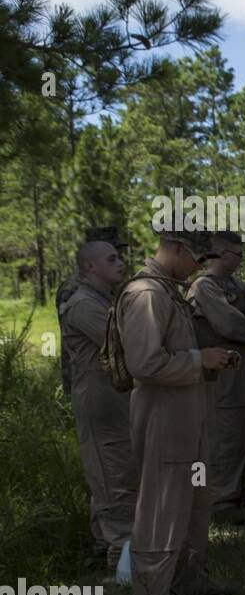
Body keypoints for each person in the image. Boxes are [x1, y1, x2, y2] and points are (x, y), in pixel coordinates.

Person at [115, 227, 233, 595]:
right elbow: (145, 364)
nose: (200, 267)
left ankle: (185, 585)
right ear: (178, 249)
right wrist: (201, 359)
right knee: (162, 511)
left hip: (187, 417)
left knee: (194, 503)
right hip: (165, 420)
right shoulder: (147, 294)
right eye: (197, 259)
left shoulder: (168, 290)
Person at [59, 240, 137, 571]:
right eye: (111, 258)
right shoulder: (82, 305)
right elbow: (125, 342)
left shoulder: (102, 299)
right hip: (99, 400)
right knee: (112, 473)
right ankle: (121, 556)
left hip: (113, 398)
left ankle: (108, 545)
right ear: (90, 266)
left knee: (117, 469)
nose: (120, 262)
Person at [187, 231, 245, 517]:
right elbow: (229, 324)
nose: (241, 259)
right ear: (220, 253)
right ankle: (221, 498)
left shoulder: (236, 285)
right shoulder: (203, 287)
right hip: (220, 372)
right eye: (237, 253)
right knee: (226, 433)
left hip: (241, 366)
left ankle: (242, 492)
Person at [57, 225, 127, 395]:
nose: (120, 261)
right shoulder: (76, 291)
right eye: (111, 257)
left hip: (107, 375)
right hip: (88, 372)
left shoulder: (102, 285)